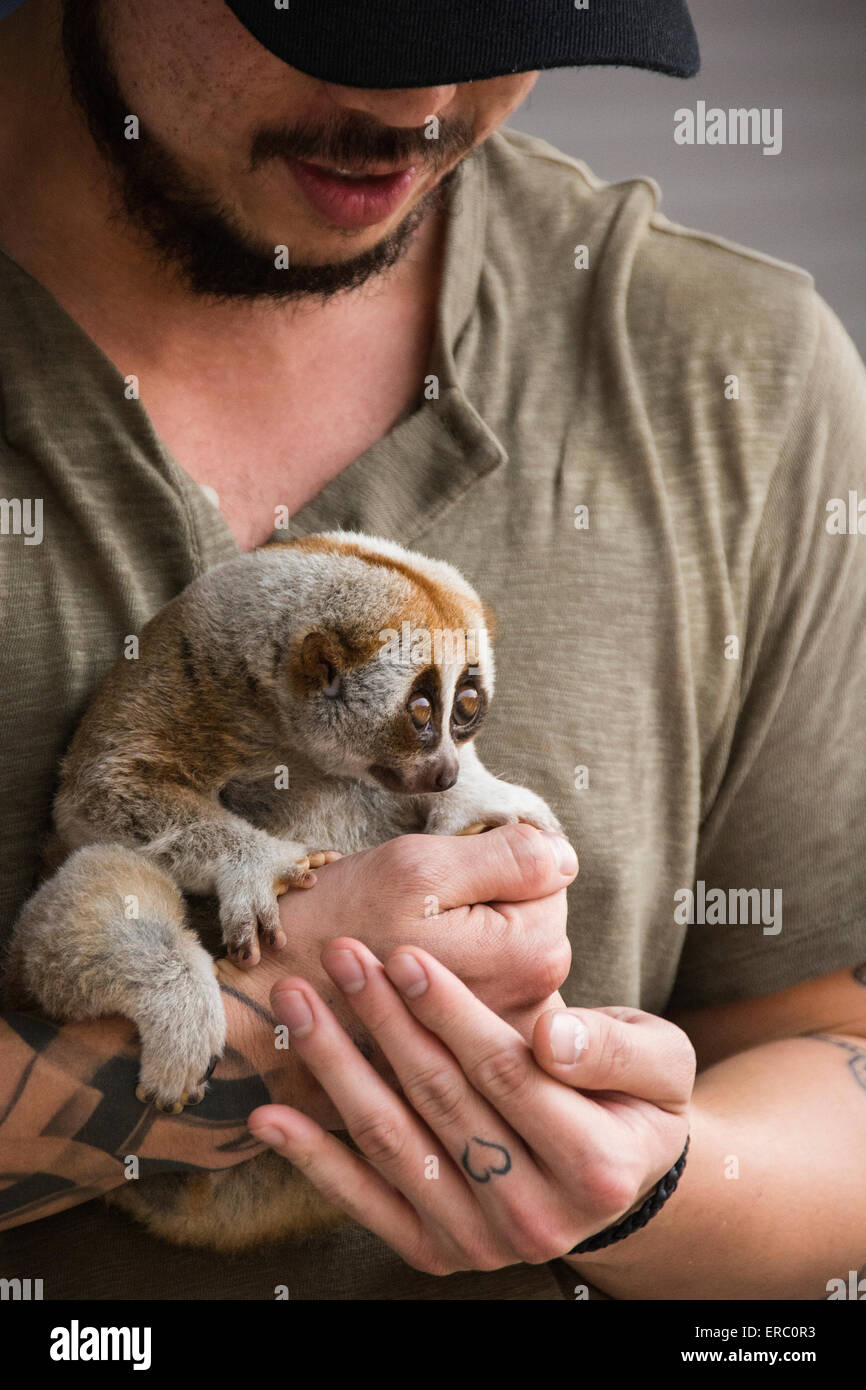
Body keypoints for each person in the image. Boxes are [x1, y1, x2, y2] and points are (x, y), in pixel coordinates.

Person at [1, 0, 864, 1302]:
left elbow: (824, 1046)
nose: (415, 109)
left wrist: (651, 1183)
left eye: (510, 17)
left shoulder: (733, 373)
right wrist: (261, 1027)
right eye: (346, 24)